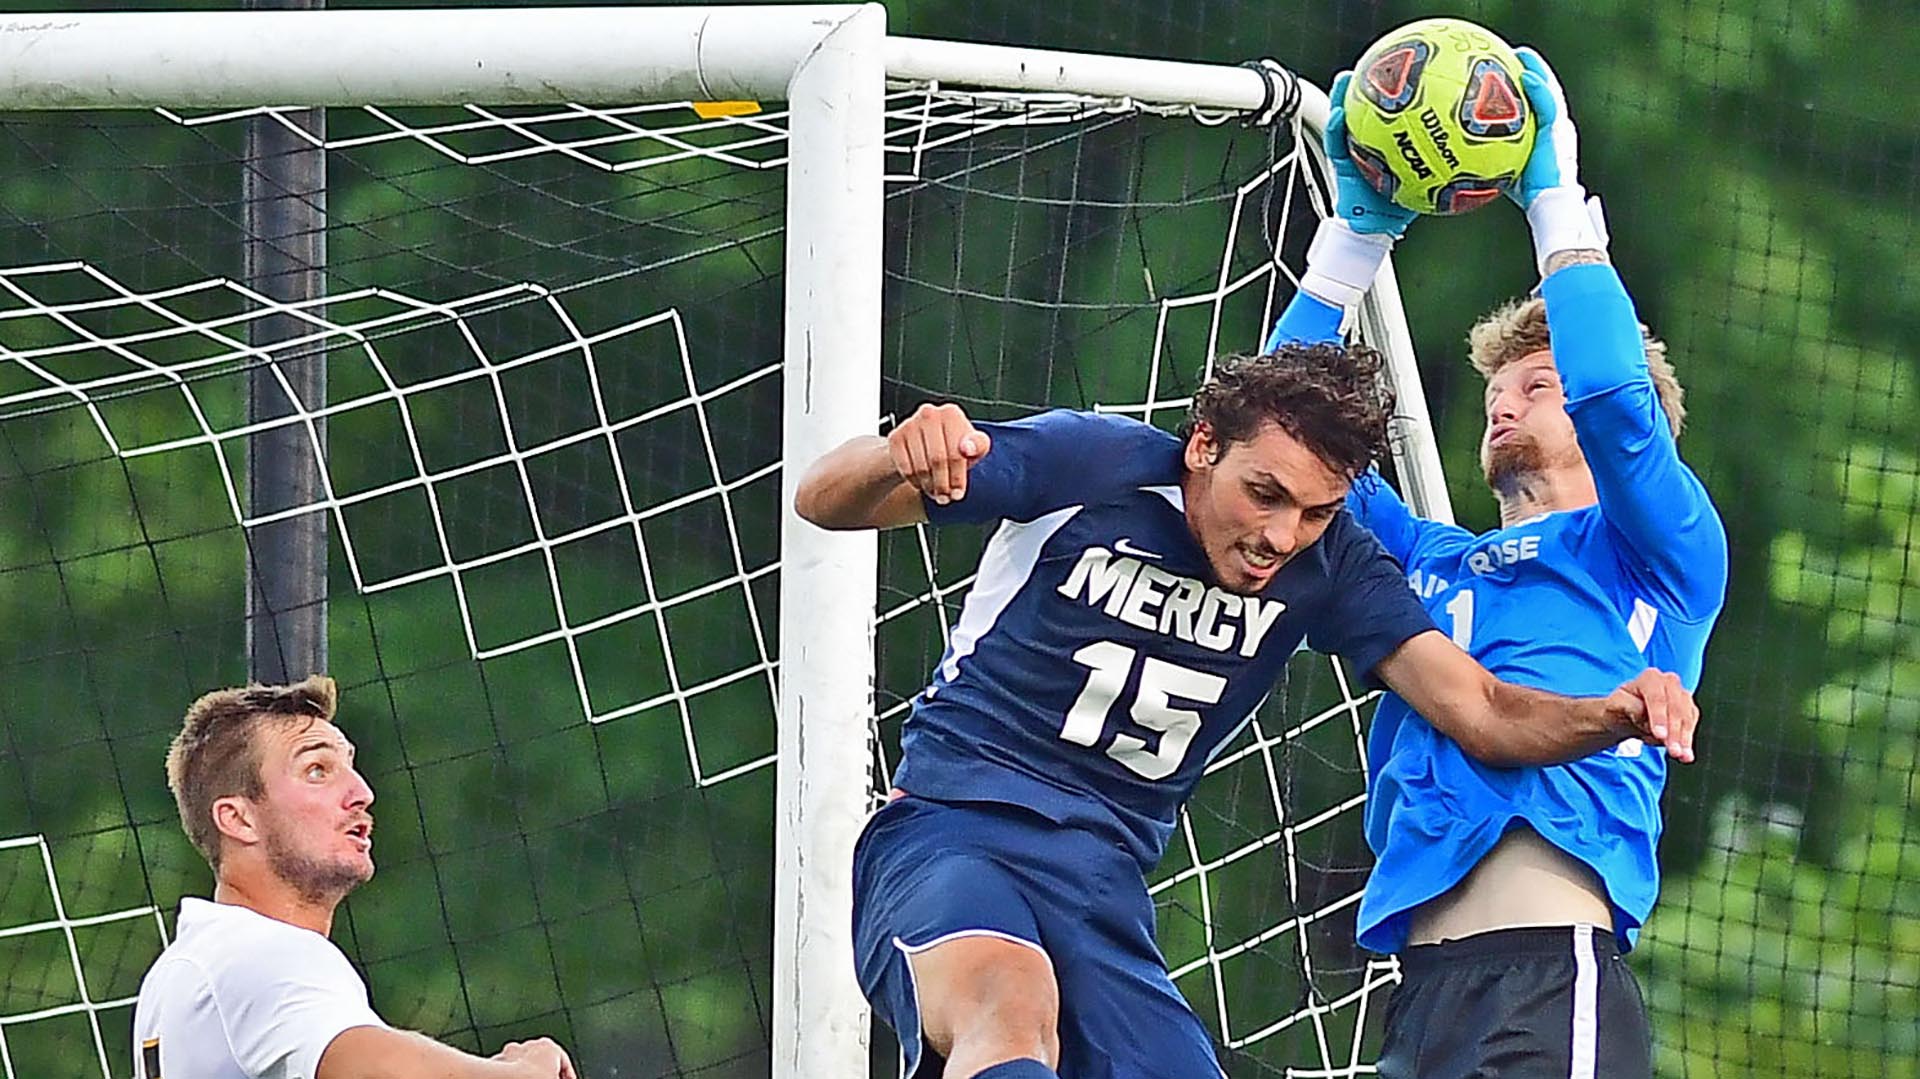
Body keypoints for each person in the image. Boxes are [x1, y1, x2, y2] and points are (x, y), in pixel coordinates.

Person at [793, 286, 1698, 1072]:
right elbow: (822, 499)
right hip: (955, 830)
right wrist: (896, 450)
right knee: (1008, 1007)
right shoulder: (1091, 464)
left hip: (1102, 879)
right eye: (1264, 494)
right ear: (1202, 447)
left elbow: (1486, 712)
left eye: (1315, 511)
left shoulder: (1334, 563)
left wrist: (1614, 712)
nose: (1279, 536)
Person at [1264, 48, 1728, 1079]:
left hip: (1546, 985)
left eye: (1537, 383)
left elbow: (1615, 398)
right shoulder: (1430, 560)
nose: (1506, 401)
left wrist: (1552, 195)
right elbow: (1277, 434)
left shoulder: (1659, 555)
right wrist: (1355, 240)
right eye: (1496, 391)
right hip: (1416, 1005)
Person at [133, 675, 576, 1079]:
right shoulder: (267, 953)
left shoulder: (180, 973)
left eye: (349, 766)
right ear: (239, 819)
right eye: (317, 771)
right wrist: (521, 1073)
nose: (361, 792)